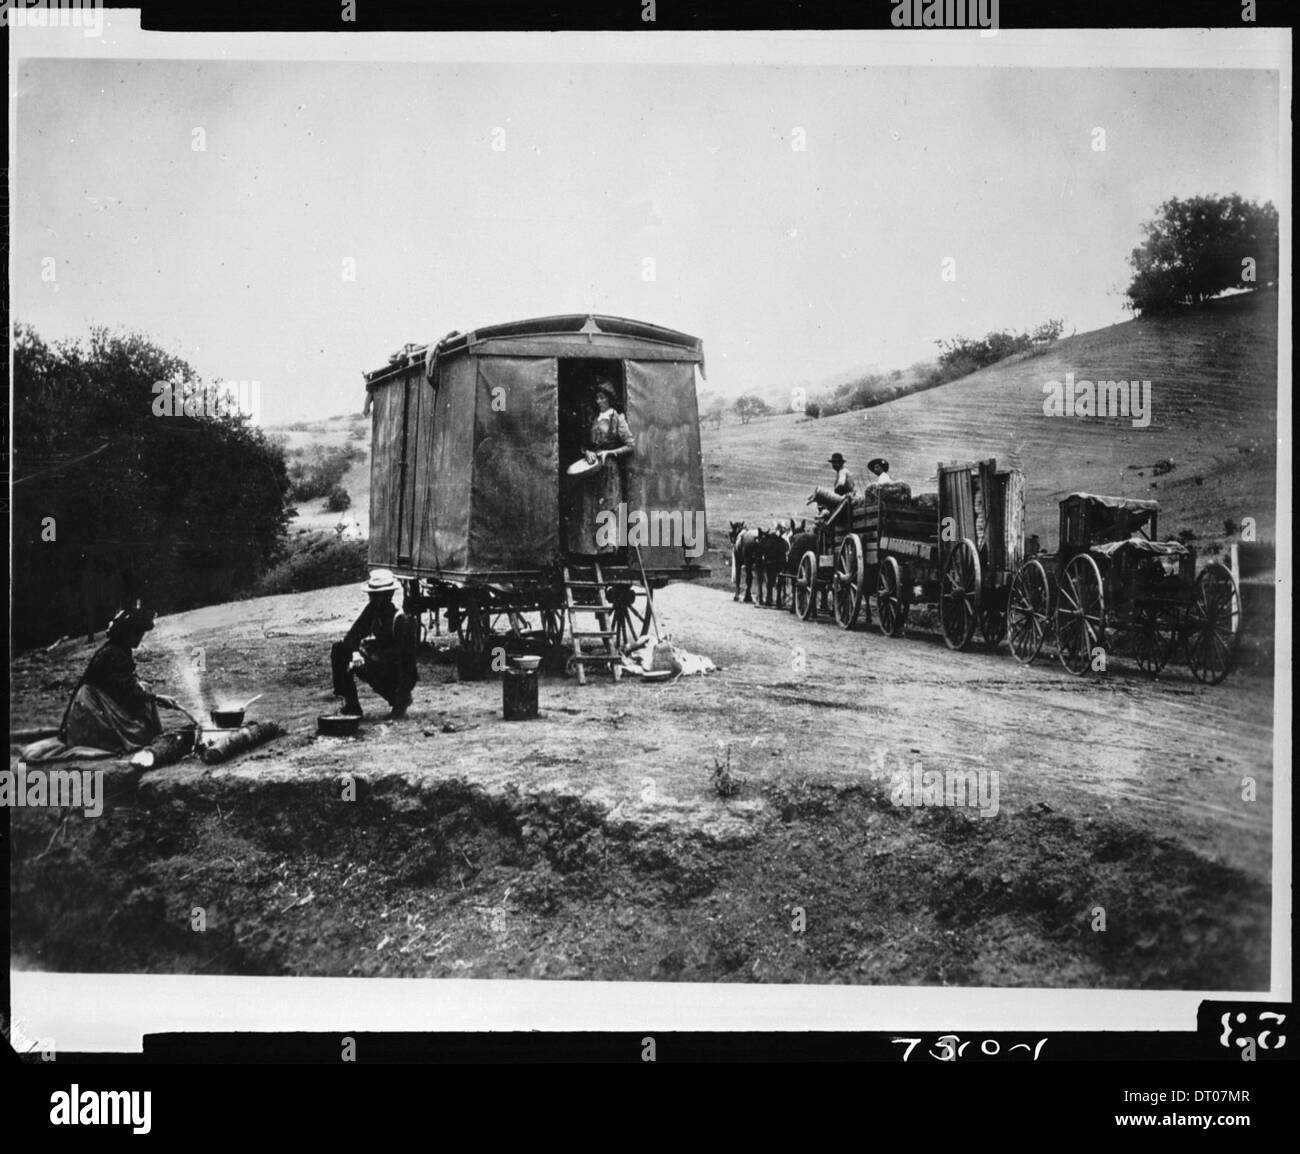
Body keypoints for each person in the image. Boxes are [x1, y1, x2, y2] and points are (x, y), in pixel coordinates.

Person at [59, 604, 176, 753]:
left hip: (105, 698)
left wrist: (150, 695)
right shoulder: (112, 653)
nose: (140, 638)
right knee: (138, 735)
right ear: (127, 634)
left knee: (144, 687)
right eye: (137, 634)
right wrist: (157, 698)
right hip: (92, 705)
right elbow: (125, 691)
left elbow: (127, 685)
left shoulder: (120, 649)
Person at [331, 569, 419, 719]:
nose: (372, 598)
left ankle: (399, 700)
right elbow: (351, 637)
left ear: (388, 595)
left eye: (377, 595)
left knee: (397, 678)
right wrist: (355, 653)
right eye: (371, 595)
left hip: (395, 675)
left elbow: (407, 666)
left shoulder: (400, 621)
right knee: (339, 649)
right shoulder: (372, 611)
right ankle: (352, 705)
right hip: (379, 666)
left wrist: (400, 701)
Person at [566, 378, 636, 554]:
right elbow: (586, 443)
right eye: (597, 398)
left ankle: (608, 548)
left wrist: (610, 453)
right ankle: (591, 549)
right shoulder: (594, 419)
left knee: (608, 505)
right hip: (593, 468)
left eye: (602, 398)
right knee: (590, 504)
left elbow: (630, 445)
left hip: (609, 468)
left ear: (609, 399)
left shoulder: (617, 419)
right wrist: (587, 452)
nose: (598, 401)